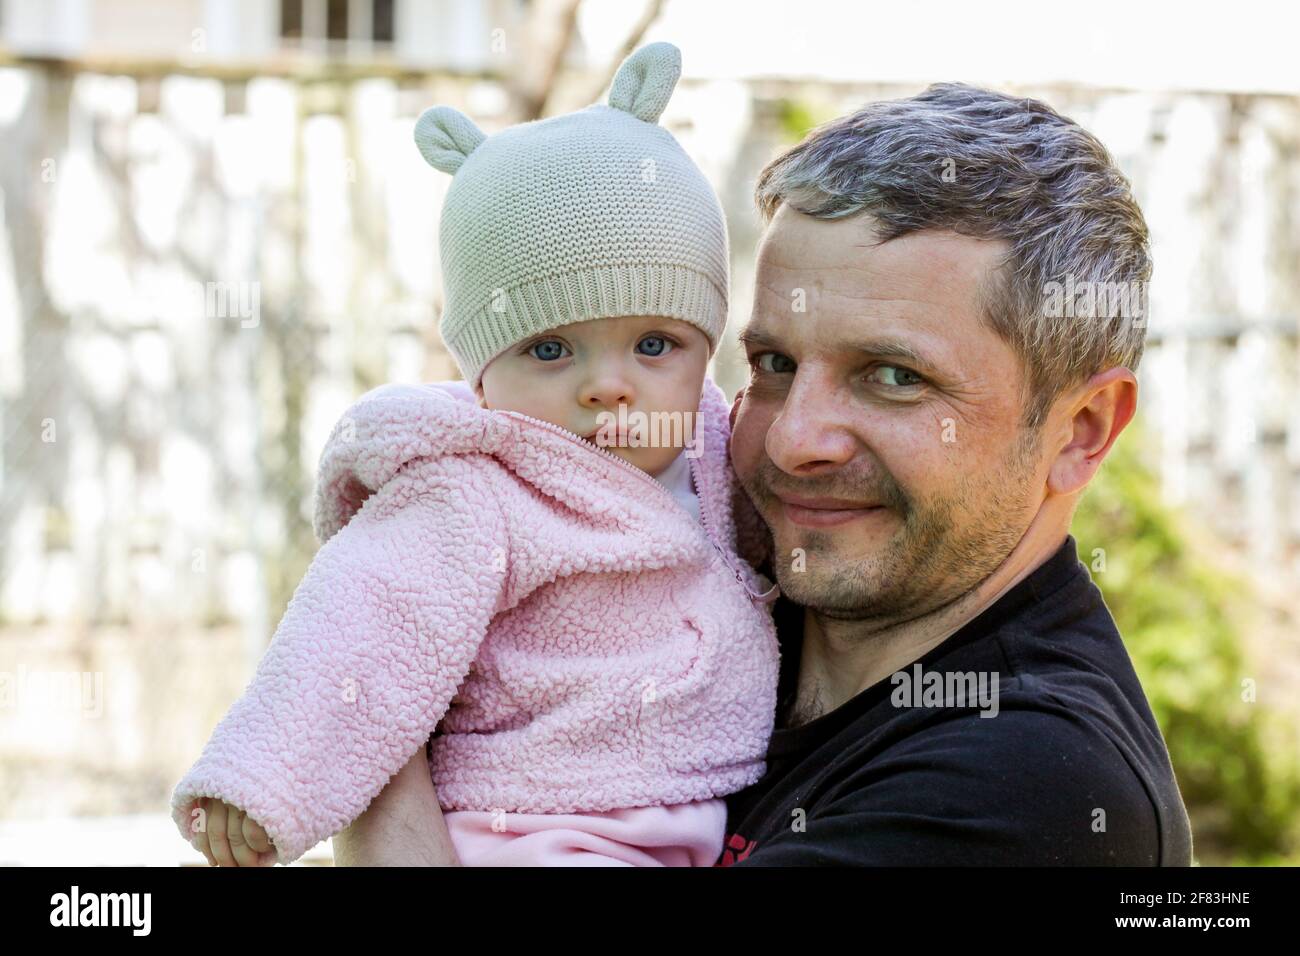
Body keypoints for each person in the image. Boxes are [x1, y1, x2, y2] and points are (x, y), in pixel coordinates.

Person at [338, 82, 1194, 867]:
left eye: (893, 377)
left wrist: (371, 735)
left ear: (1081, 431)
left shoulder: (1031, 783)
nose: (793, 441)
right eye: (774, 363)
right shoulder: (699, 601)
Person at [171, 42, 782, 867]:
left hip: (688, 820)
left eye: (652, 342)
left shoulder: (714, 448)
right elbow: (360, 623)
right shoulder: (469, 489)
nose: (610, 386)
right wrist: (264, 777)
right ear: (482, 374)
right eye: (550, 351)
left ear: (706, 346)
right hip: (529, 825)